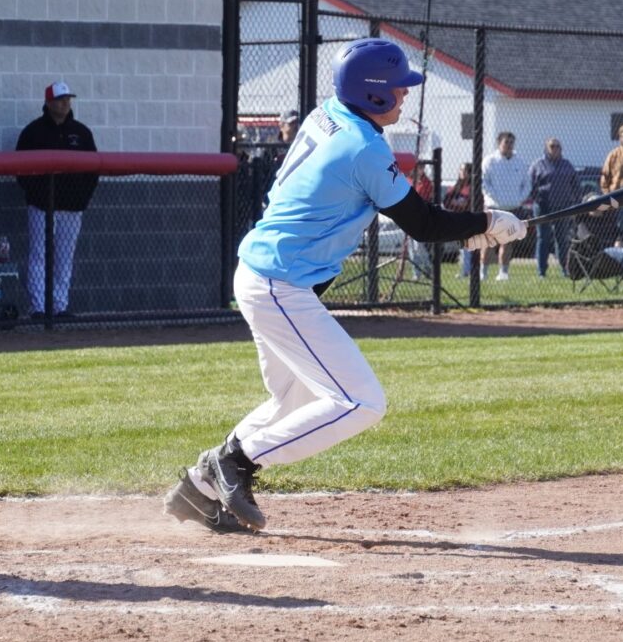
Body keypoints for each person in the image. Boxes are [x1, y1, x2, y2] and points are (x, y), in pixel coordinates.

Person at [161, 38, 524, 534]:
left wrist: (477, 229)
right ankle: (235, 462)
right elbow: (422, 223)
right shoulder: (363, 147)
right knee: (361, 401)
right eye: (398, 90)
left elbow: (420, 220)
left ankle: (199, 485)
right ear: (373, 94)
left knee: (293, 401)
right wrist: (488, 221)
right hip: (280, 283)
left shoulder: (326, 114)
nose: (404, 98)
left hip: (264, 272)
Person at [16, 80, 97, 319]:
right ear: (48, 103)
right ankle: (39, 307)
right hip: (41, 206)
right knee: (39, 255)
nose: (65, 104)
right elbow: (20, 169)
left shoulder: (81, 133)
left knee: (64, 258)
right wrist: (35, 194)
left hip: (72, 208)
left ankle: (60, 305)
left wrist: (82, 198)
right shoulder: (33, 132)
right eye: (60, 99)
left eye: (67, 99)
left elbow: (94, 170)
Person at [480, 131, 529, 280]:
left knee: (507, 242)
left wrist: (519, 199)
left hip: (512, 208)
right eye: (506, 142)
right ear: (499, 143)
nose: (509, 145)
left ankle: (503, 273)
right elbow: (484, 182)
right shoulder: (489, 161)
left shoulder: (520, 161)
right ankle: (483, 272)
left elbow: (527, 184)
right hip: (493, 208)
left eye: (511, 142)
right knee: (489, 241)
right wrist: (494, 198)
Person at [529, 137, 577, 276]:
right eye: (552, 146)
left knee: (562, 239)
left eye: (557, 146)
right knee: (543, 238)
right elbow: (529, 185)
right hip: (543, 206)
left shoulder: (567, 165)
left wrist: (575, 203)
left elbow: (575, 185)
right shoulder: (538, 165)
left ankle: (565, 269)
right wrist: (537, 199)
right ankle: (541, 271)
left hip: (563, 206)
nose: (555, 148)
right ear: (546, 148)